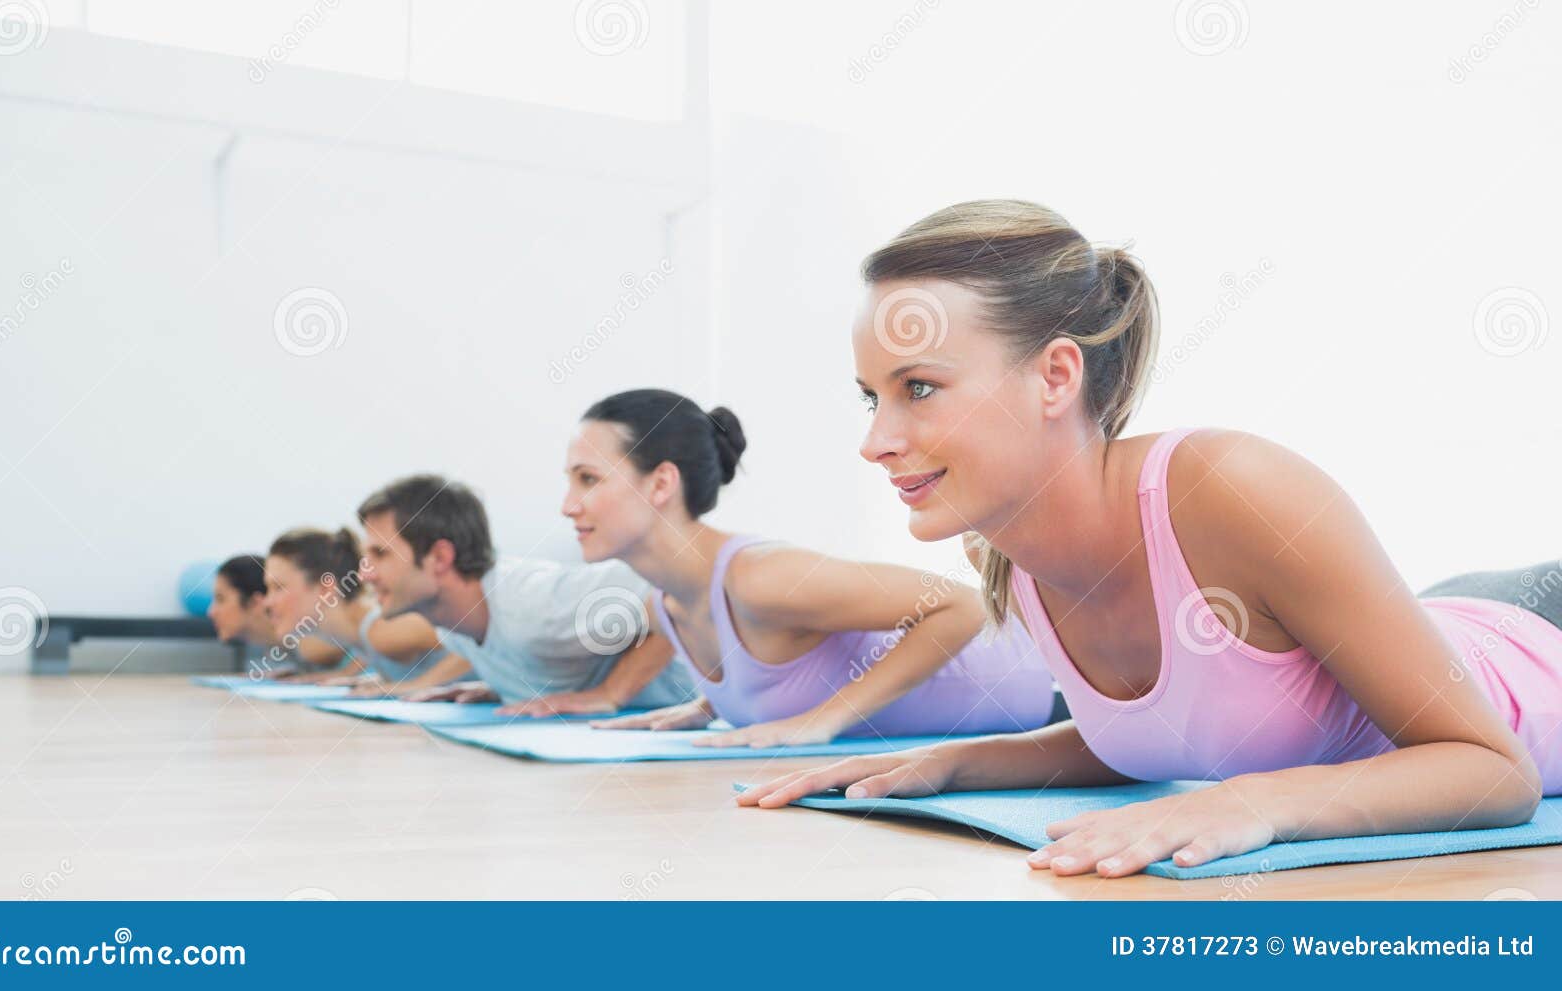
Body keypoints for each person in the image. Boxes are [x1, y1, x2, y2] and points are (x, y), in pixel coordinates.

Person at [738, 199, 1562, 878]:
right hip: (1450, 623)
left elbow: (1492, 770)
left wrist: (1252, 803)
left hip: (1535, 641)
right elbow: (1178, 726)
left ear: (1055, 376)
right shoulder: (1008, 554)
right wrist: (957, 761)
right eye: (869, 397)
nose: (876, 439)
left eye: (918, 387)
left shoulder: (1230, 486)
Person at [563, 389, 1058, 747]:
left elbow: (963, 606)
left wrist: (823, 720)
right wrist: (714, 704)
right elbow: (780, 668)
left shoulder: (759, 577)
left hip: (1033, 682)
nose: (568, 506)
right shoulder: (666, 604)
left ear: (661, 483)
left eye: (588, 479)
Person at [355, 475, 695, 715]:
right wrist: (510, 686)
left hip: (698, 723)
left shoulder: (536, 604)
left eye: (380, 554)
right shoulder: (451, 623)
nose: (364, 573)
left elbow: (677, 588)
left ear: (441, 558)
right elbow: (519, 649)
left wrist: (610, 693)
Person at [263, 528, 468, 694]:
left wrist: (418, 685)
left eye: (278, 587)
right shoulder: (362, 637)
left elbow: (470, 641)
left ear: (326, 589)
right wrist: (355, 677)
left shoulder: (381, 631)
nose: (267, 603)